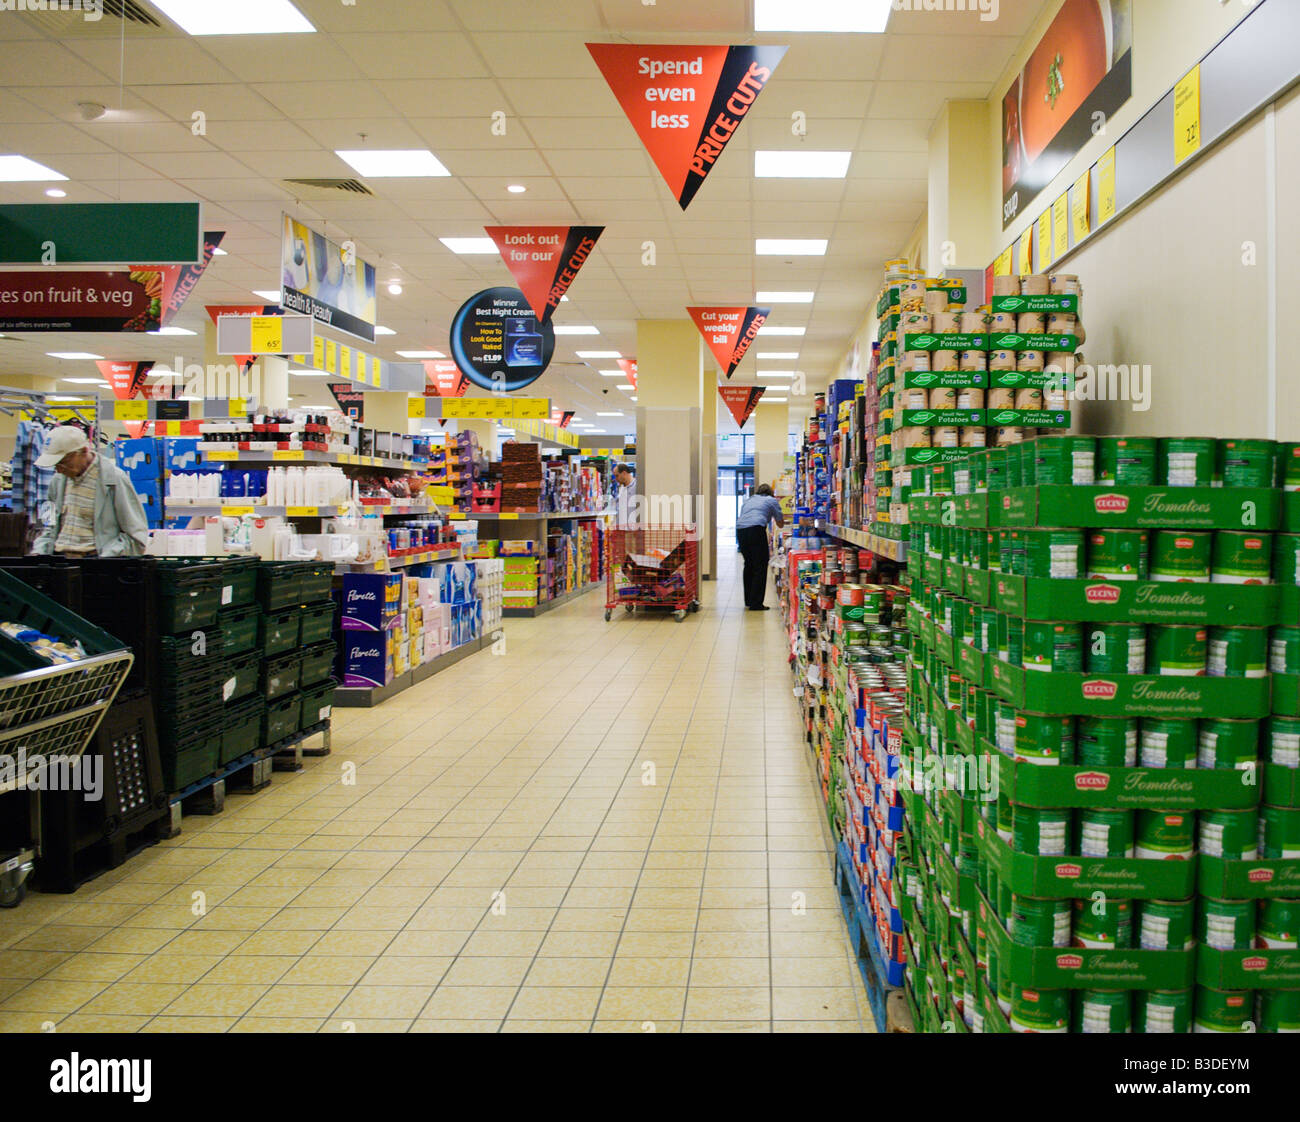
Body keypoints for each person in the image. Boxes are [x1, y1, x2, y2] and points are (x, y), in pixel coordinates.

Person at [31, 427, 149, 558]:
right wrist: (39, 550)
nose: (59, 470)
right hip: (60, 562)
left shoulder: (115, 480)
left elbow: (136, 537)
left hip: (95, 566)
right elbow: (47, 524)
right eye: (55, 465)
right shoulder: (56, 482)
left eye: (63, 462)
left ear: (83, 451)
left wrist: (104, 558)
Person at [735, 483, 785, 611]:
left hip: (740, 531)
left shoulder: (749, 500)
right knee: (760, 565)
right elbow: (780, 524)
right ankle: (756, 603)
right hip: (756, 529)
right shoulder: (771, 500)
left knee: (749, 564)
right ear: (771, 493)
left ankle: (748, 600)